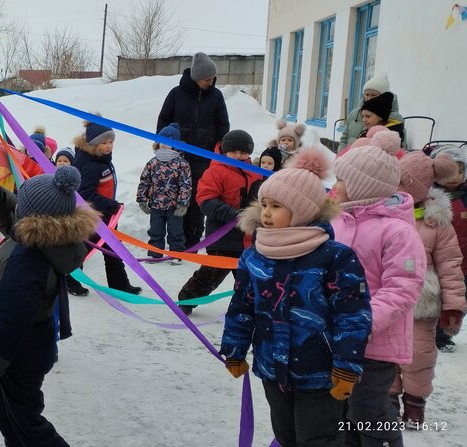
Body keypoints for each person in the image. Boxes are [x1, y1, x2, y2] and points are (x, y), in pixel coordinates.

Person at [221, 147, 372, 447]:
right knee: (287, 437)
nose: (265, 212)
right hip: (271, 369)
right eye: (264, 204)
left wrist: (346, 364)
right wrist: (235, 349)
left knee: (318, 439)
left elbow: (352, 315)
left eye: (276, 206)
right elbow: (242, 307)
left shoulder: (334, 257)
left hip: (321, 373)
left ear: (302, 209)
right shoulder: (254, 256)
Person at [0, 166, 98, 447]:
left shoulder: (25, 262)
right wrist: (1, 200)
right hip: (29, 349)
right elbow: (17, 228)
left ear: (31, 218)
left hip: (19, 354)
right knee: (9, 418)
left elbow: (11, 323)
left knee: (27, 423)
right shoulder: (47, 241)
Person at [330, 129, 426, 447]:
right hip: (337, 339)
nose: (334, 187)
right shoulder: (337, 222)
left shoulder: (397, 231)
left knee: (369, 411)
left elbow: (403, 285)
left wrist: (363, 320)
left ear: (361, 186)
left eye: (341, 180)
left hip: (375, 343)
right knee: (341, 409)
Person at [389, 151, 466, 428]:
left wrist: (453, 304)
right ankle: (388, 403)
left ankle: (414, 404)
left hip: (422, 301)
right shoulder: (385, 211)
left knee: (418, 356)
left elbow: (450, 263)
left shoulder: (437, 221)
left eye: (402, 184)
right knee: (386, 354)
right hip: (386, 300)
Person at [177, 130, 262, 315]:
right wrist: (234, 215)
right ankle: (187, 300)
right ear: (225, 151)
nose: (239, 156)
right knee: (211, 274)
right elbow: (206, 200)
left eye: (243, 152)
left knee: (251, 277)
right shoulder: (215, 171)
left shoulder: (256, 173)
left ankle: (254, 309)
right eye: (234, 152)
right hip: (223, 236)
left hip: (249, 238)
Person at [157, 52, 231, 249]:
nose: (211, 82)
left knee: (197, 198)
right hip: (177, 156)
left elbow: (223, 125)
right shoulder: (176, 94)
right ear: (197, 77)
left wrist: (220, 148)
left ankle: (192, 241)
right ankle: (175, 241)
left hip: (204, 156)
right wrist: (162, 143)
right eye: (207, 79)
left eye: (213, 78)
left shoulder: (216, 96)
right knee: (176, 197)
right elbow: (163, 120)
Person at [73, 119, 142, 295]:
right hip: (93, 217)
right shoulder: (90, 165)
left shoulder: (102, 161)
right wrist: (111, 204)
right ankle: (70, 280)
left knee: (113, 250)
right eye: (104, 142)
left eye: (111, 142)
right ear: (93, 145)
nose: (109, 146)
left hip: (107, 215)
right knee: (83, 250)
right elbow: (85, 195)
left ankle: (119, 284)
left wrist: (110, 208)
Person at [136, 123, 192, 264]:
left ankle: (176, 254)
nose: (164, 144)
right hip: (156, 205)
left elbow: (186, 184)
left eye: (169, 142)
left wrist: (182, 203)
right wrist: (142, 198)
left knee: (176, 232)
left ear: (176, 144)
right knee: (156, 231)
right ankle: (155, 254)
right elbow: (144, 180)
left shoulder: (182, 164)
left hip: (174, 207)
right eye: (162, 141)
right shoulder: (153, 163)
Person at [430, 144, 467, 352]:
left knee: (458, 300)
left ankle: (447, 331)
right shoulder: (430, 197)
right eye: (450, 170)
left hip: (464, 261)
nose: (455, 176)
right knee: (436, 299)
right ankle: (437, 335)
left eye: (460, 170)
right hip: (439, 262)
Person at [339, 73, 406, 147]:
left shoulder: (395, 118)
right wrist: (342, 156)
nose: (369, 98)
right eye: (367, 94)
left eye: (373, 95)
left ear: (383, 96)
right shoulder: (354, 114)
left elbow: (400, 145)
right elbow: (344, 139)